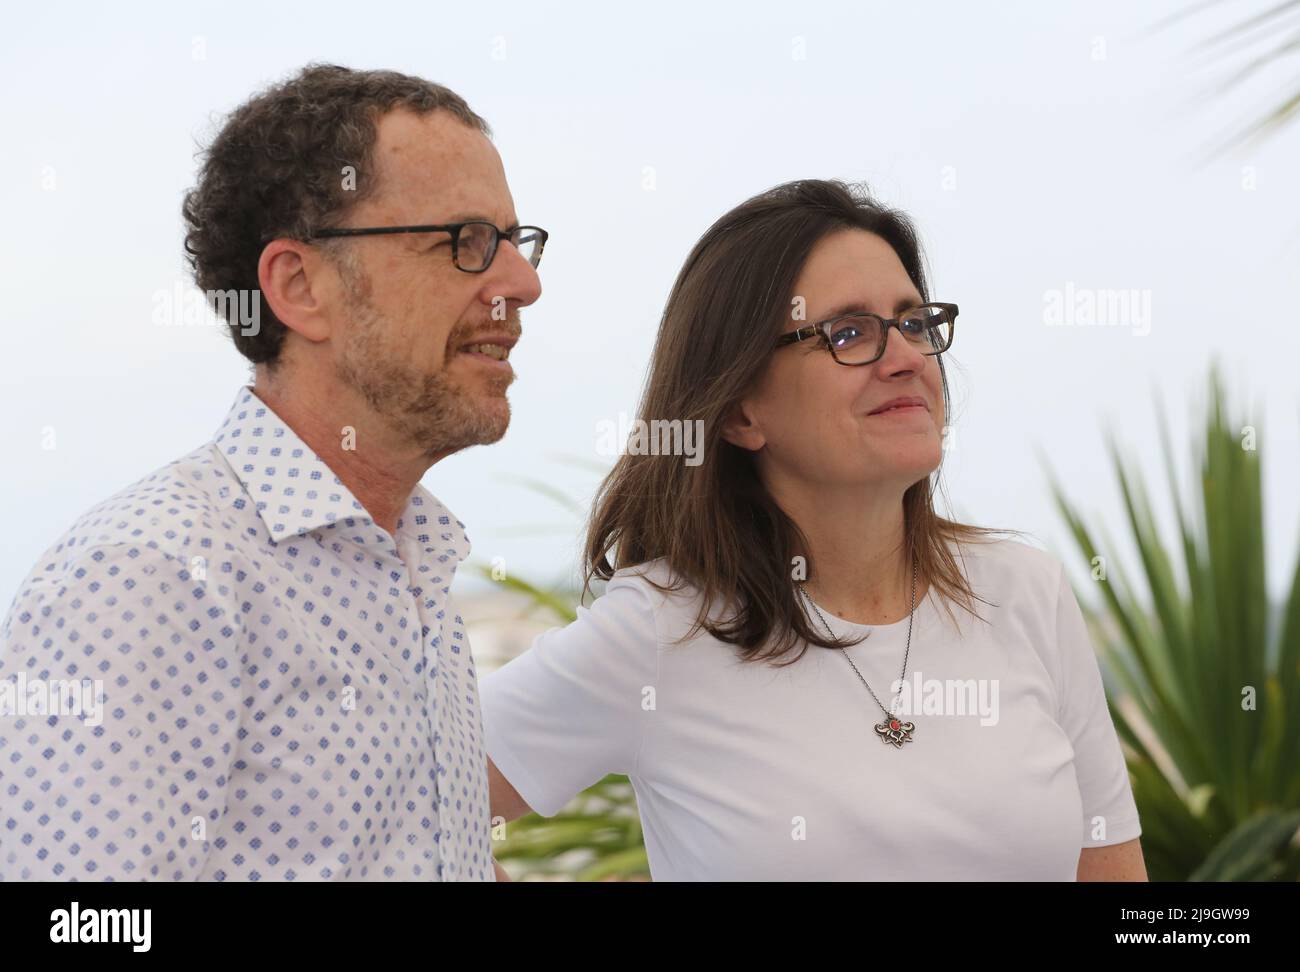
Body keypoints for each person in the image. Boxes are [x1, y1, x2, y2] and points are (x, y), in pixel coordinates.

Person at [481, 179, 1146, 881]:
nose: (908, 358)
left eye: (915, 322)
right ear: (739, 411)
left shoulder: (1022, 589)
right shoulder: (660, 629)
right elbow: (399, 798)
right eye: (849, 333)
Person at [0, 64, 545, 881]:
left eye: (515, 240)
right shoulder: (151, 574)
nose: (523, 285)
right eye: (465, 242)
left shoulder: (416, 562)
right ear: (298, 287)